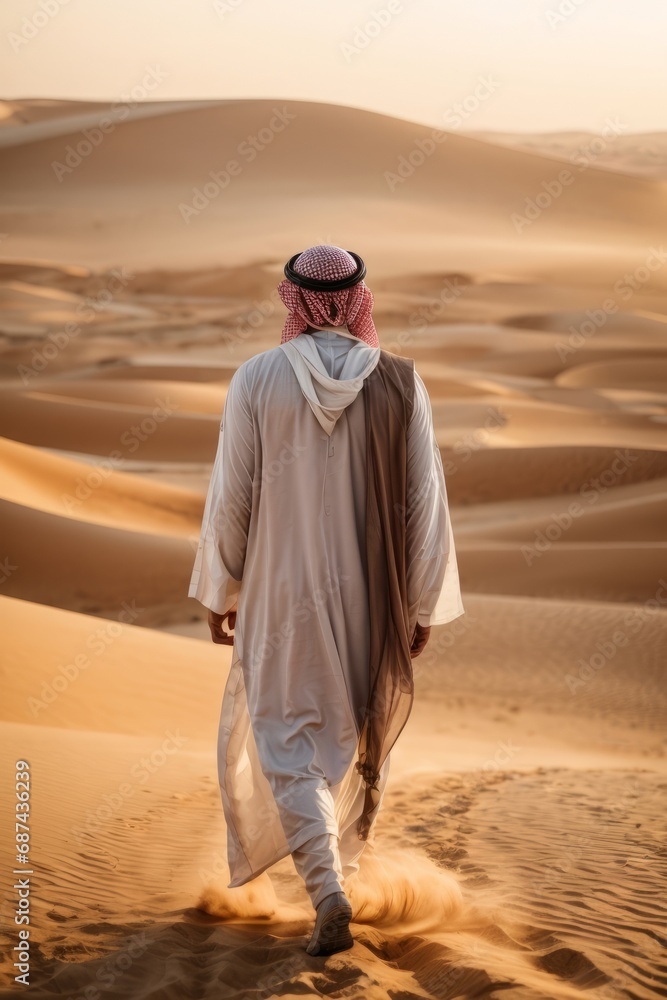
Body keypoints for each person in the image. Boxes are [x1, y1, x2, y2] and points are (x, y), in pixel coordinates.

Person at [188, 244, 464, 956]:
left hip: (279, 592)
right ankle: (336, 879)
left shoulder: (256, 378)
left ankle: (328, 894)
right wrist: (420, 603)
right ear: (358, 300)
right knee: (349, 743)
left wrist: (222, 589)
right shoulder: (403, 382)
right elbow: (423, 505)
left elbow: (233, 496)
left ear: (294, 301)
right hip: (371, 596)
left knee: (287, 743)